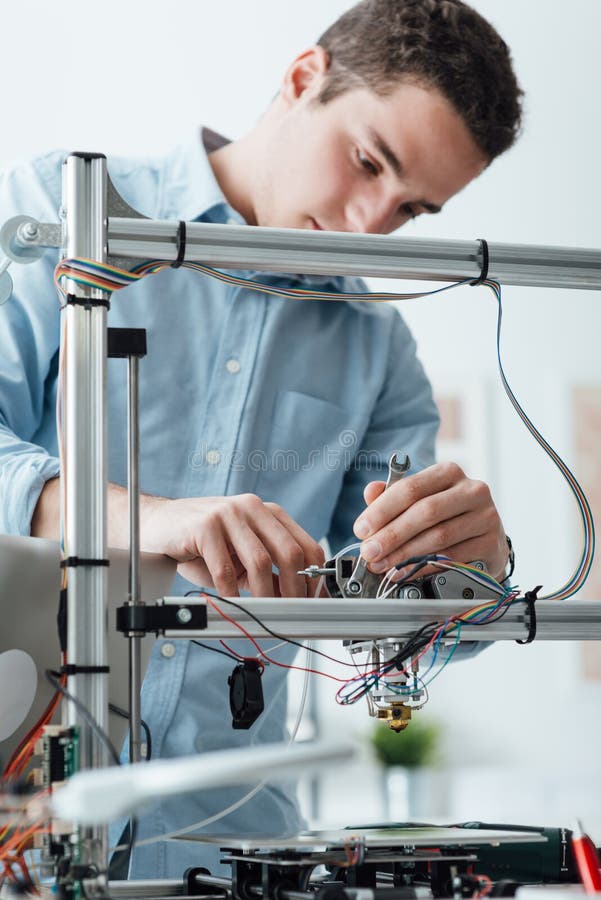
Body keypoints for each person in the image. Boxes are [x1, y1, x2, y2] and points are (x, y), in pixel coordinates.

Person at [0, 0, 523, 879]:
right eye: (366, 162)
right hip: (22, 815)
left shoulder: (375, 340)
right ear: (301, 78)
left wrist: (468, 569)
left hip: (231, 848)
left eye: (409, 209)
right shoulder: (66, 211)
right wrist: (149, 520)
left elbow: (411, 624)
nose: (369, 224)